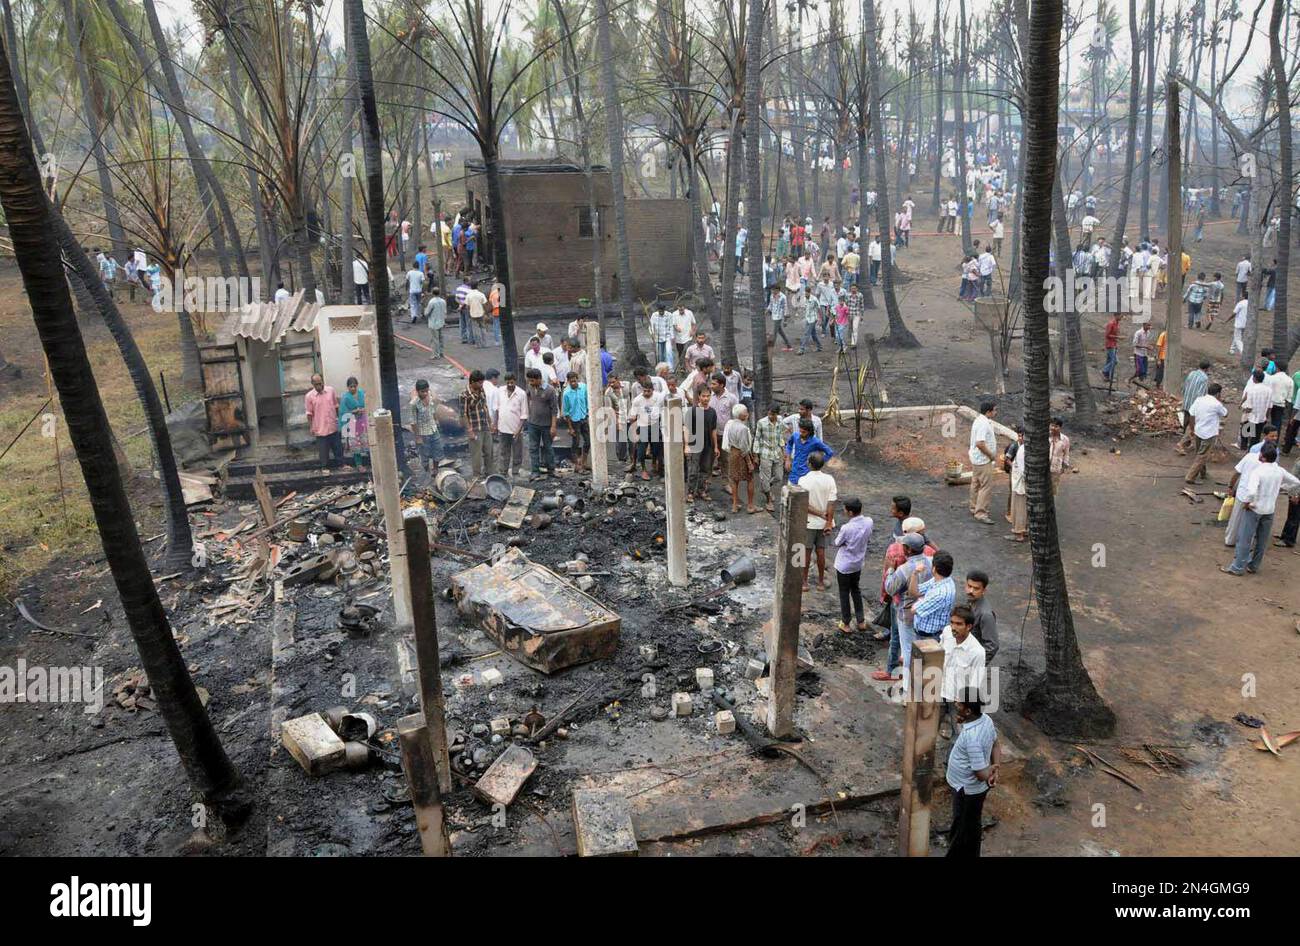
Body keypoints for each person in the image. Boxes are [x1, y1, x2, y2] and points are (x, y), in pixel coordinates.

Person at [1222, 444, 1300, 575]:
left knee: (1245, 538)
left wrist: (1247, 502)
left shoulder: (1258, 472)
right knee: (1262, 540)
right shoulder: (1279, 471)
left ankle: (1237, 567)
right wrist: (1282, 487)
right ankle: (1253, 565)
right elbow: (1296, 482)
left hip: (1255, 508)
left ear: (1262, 457)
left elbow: (1251, 491)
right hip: (1269, 509)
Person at [945, 690, 1001, 857]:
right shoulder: (986, 720)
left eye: (959, 703)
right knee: (971, 822)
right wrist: (996, 767)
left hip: (967, 790)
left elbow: (980, 774)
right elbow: (996, 745)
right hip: (973, 788)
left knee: (961, 827)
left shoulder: (972, 738)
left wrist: (990, 772)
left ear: (968, 711)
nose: (956, 703)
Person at [797, 451, 837, 592]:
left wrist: (819, 514)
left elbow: (804, 504)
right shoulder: (830, 479)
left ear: (809, 464)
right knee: (821, 553)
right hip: (824, 523)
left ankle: (804, 582)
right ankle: (820, 582)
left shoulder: (803, 480)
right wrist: (828, 521)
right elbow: (832, 502)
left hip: (808, 522)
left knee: (806, 553)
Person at [1185, 382, 1227, 483]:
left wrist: (1192, 428)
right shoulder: (1216, 404)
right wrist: (1220, 401)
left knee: (1199, 453)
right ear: (1218, 394)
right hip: (1209, 433)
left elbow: (1191, 414)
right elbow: (1225, 413)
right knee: (1202, 455)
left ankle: (1203, 473)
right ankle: (1190, 477)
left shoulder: (1199, 400)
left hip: (1198, 430)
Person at [459, 370, 495, 477]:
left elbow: (485, 406)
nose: (481, 385)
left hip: (485, 426)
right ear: (472, 382)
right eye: (479, 383)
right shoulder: (464, 395)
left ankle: (489, 474)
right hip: (475, 428)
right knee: (476, 455)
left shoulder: (481, 389)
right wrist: (469, 430)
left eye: (482, 382)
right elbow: (463, 414)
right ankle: (477, 477)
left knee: (489, 452)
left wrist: (490, 422)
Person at [524, 368, 559, 477]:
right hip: (533, 423)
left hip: (546, 425)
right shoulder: (530, 386)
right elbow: (528, 396)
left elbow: (554, 410)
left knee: (548, 447)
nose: (530, 383)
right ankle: (535, 471)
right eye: (529, 381)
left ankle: (551, 470)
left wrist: (553, 427)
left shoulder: (550, 390)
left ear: (539, 379)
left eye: (532, 381)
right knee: (533, 447)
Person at [968, 400, 998, 524]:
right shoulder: (984, 424)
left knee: (975, 483)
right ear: (988, 411)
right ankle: (980, 513)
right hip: (983, 460)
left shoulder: (979, 420)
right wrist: (991, 455)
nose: (996, 412)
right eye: (994, 410)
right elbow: (980, 443)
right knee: (985, 486)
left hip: (976, 459)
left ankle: (974, 507)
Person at [304, 374, 342, 471]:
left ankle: (341, 464)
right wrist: (311, 426)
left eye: (320, 383)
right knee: (323, 450)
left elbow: (336, 405)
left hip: (332, 424)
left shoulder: (331, 390)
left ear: (323, 382)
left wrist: (338, 420)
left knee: (337, 447)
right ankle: (324, 467)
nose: (318, 386)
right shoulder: (309, 396)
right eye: (316, 384)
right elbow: (309, 413)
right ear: (312, 384)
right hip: (320, 427)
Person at [686, 387, 718, 500]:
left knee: (705, 469)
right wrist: (686, 446)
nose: (705, 398)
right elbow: (687, 429)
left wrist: (716, 447)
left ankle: (701, 490)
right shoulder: (693, 411)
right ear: (699, 397)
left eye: (708, 396)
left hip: (708, 445)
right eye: (703, 396)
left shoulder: (712, 412)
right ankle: (690, 492)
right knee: (693, 469)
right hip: (695, 444)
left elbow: (714, 430)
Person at [628, 379, 664, 480]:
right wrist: (634, 430)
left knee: (656, 449)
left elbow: (664, 411)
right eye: (644, 391)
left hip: (655, 426)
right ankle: (643, 470)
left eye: (648, 391)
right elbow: (633, 417)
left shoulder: (659, 397)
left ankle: (654, 463)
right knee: (641, 450)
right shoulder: (637, 400)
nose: (646, 393)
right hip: (642, 426)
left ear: (653, 390)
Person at [724, 404, 757, 513]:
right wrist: (749, 463)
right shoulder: (743, 428)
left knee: (734, 479)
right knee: (750, 479)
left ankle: (734, 505)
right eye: (746, 412)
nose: (747, 413)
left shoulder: (731, 424)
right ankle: (750, 505)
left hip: (732, 453)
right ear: (741, 415)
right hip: (741, 455)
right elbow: (744, 448)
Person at [495, 373, 528, 477]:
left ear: (515, 381)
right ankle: (503, 472)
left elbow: (524, 414)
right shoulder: (500, 391)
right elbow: (497, 409)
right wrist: (495, 424)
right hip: (503, 428)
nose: (509, 384)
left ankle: (515, 471)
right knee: (503, 452)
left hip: (516, 429)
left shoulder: (521, 394)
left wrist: (518, 430)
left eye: (512, 382)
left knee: (517, 452)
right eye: (508, 382)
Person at [754, 403, 786, 511]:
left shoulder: (780, 420)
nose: (770, 416)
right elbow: (757, 439)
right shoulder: (761, 423)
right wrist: (756, 455)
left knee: (779, 476)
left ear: (777, 414)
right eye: (769, 413)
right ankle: (768, 500)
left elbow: (781, 435)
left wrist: (783, 450)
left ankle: (765, 487)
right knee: (765, 477)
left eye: (773, 414)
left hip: (777, 452)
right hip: (765, 453)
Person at [785, 416, 834, 484]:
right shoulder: (795, 436)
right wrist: (788, 459)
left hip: (807, 475)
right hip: (794, 472)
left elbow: (830, 452)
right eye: (800, 431)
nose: (801, 434)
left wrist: (818, 463)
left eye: (804, 432)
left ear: (809, 432)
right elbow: (789, 445)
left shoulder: (816, 442)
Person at [1176, 361, 1211, 454]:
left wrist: (1185, 397)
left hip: (1186, 402)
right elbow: (1201, 395)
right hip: (1195, 406)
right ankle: (1181, 444)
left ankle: (1189, 443)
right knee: (1193, 426)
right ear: (1207, 368)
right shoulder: (1204, 378)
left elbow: (1184, 387)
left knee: (1186, 422)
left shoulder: (1192, 373)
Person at [408, 379, 442, 473]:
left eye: (427, 391)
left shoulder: (430, 397)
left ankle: (435, 470)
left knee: (438, 449)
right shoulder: (414, 404)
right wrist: (418, 437)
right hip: (423, 432)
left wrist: (436, 420)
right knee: (425, 453)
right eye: (423, 391)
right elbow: (413, 422)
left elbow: (433, 410)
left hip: (433, 428)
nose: (425, 393)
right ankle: (426, 471)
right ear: (418, 391)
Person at [964, 571, 999, 662]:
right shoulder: (971, 601)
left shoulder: (986, 614)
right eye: (969, 586)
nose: (971, 591)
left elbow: (992, 646)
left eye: (976, 588)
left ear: (983, 591)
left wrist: (976, 665)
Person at [561, 372, 590, 475]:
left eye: (575, 380)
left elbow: (587, 401)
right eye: (571, 381)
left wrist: (587, 414)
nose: (573, 383)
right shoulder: (566, 393)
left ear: (577, 379)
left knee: (588, 441)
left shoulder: (583, 387)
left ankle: (584, 462)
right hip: (574, 420)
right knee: (576, 443)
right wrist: (570, 427)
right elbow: (566, 411)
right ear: (568, 381)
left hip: (584, 418)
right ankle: (577, 466)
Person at [339, 376, 369, 468]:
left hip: (362, 421)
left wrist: (364, 409)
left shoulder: (361, 394)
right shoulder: (345, 398)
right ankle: (359, 464)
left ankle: (371, 461)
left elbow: (368, 404)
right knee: (355, 444)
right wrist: (354, 411)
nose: (353, 388)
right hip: (352, 423)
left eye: (354, 386)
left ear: (357, 386)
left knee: (366, 441)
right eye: (351, 386)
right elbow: (343, 412)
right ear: (347, 387)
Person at [1006, 426, 1028, 542]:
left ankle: (1019, 533)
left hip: (1020, 484)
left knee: (1019, 509)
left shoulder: (1023, 449)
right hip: (1025, 483)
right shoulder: (1026, 448)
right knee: (1025, 509)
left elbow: (1022, 470)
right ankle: (1025, 530)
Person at [1048, 417, 1071, 495]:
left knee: (1053, 491)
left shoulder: (1065, 440)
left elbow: (1066, 455)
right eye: (1052, 425)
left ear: (1060, 428)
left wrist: (1063, 467)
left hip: (1056, 469)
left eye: (1056, 426)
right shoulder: (1045, 437)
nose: (1053, 428)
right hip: (1043, 468)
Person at [422, 286, 447, 358]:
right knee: (441, 338)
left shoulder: (432, 302)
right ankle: (441, 353)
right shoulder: (443, 301)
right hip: (441, 322)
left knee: (435, 339)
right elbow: (445, 312)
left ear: (432, 293)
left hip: (433, 323)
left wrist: (425, 308)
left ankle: (436, 354)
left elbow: (426, 313)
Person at [649, 303, 674, 368]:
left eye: (662, 311)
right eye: (660, 311)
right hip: (658, 337)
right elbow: (651, 326)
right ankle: (661, 367)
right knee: (660, 354)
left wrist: (672, 337)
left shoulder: (669, 315)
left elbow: (671, 326)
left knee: (668, 352)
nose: (661, 312)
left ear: (664, 310)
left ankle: (670, 368)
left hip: (667, 337)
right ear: (658, 310)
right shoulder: (654, 315)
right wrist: (652, 334)